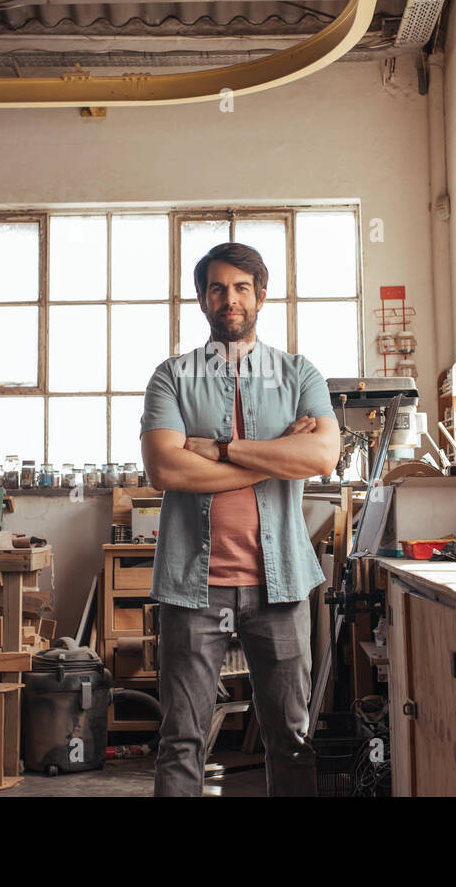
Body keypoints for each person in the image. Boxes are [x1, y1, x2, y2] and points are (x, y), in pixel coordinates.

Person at [140, 241, 340, 796]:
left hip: (281, 584)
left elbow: (322, 457)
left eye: (241, 287)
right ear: (202, 300)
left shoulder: (299, 373)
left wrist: (219, 449)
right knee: (181, 737)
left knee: (292, 737)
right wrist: (275, 454)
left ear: (262, 295)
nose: (229, 299)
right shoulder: (172, 376)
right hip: (192, 586)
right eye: (217, 288)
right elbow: (164, 468)